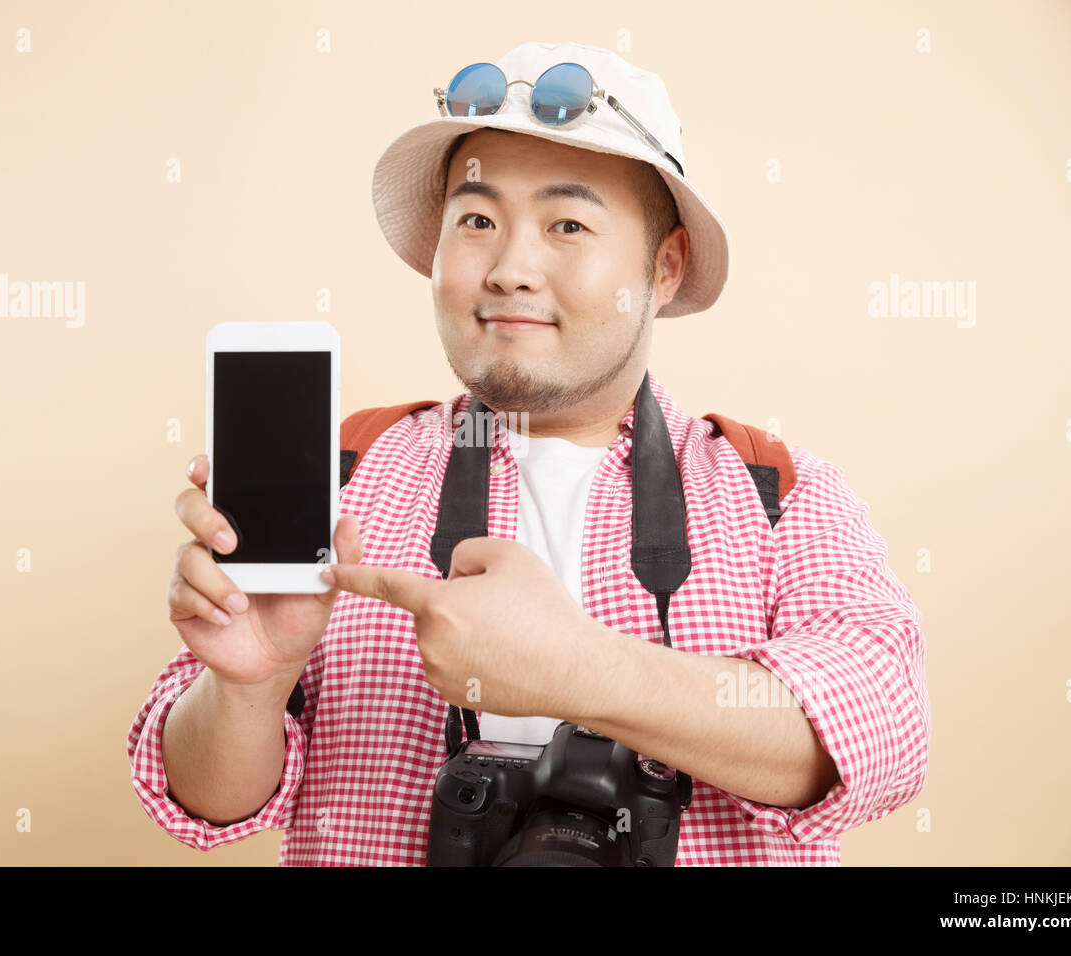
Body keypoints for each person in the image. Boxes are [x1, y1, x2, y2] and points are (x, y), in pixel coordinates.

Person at [127, 40, 930, 865]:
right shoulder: (343, 480)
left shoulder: (778, 493)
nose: (510, 269)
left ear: (664, 268)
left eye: (568, 224)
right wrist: (249, 683)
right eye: (476, 221)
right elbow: (207, 803)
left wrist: (583, 672)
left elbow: (883, 730)